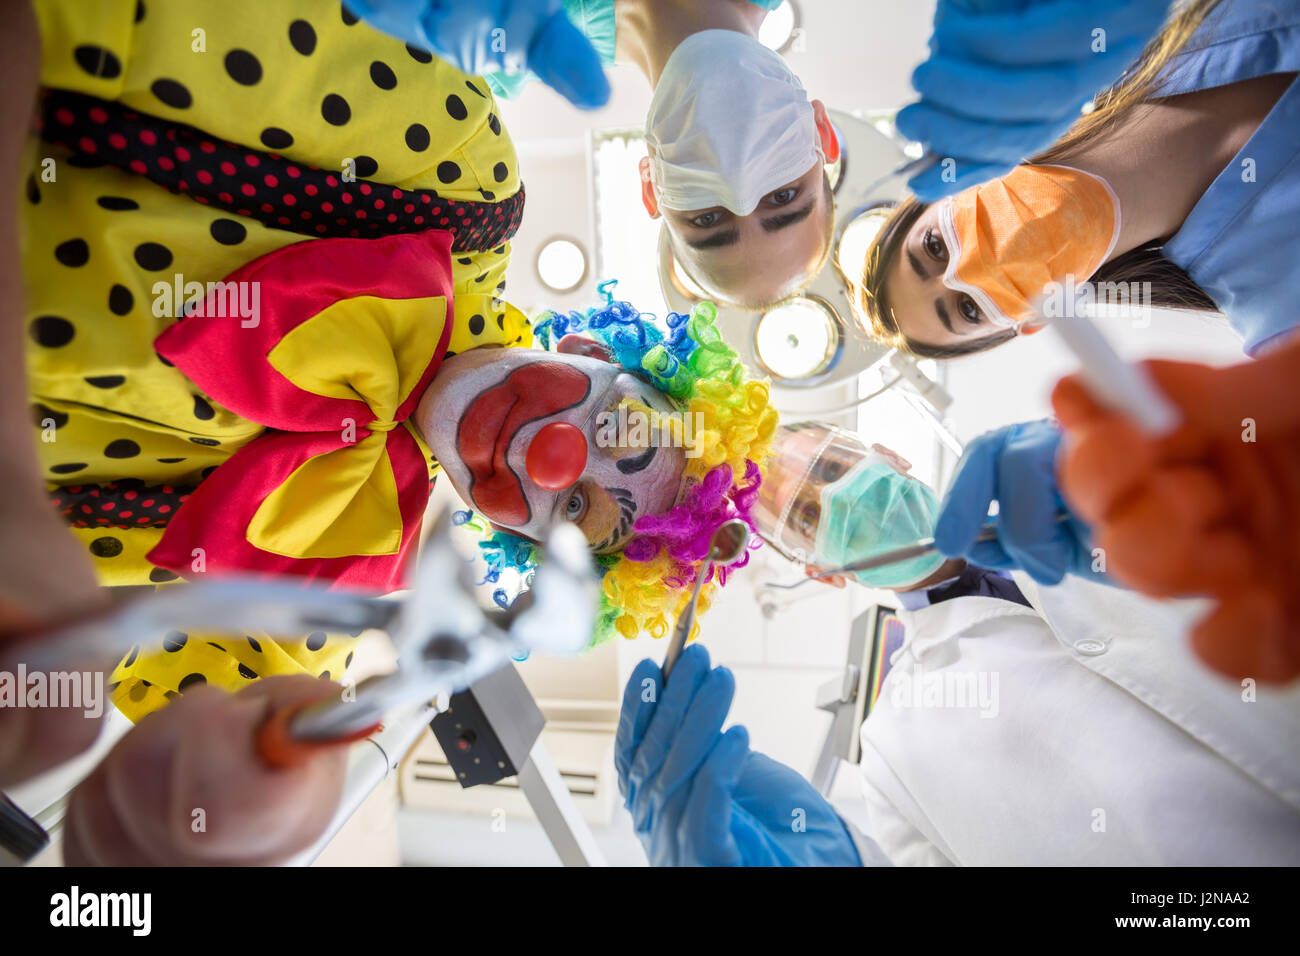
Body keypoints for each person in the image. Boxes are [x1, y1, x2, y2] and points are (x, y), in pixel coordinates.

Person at [614, 533, 1300, 866]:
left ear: (889, 455)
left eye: (838, 464)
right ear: (821, 573)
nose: (852, 499)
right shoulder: (892, 749)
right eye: (811, 512)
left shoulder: (1092, 498)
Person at [858, 0, 1300, 360]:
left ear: (950, 183)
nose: (967, 269)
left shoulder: (1107, 32)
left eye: (934, 247)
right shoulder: (1281, 320)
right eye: (968, 308)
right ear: (1035, 322)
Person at [491, 0, 840, 311]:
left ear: (650, 185)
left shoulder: (505, 47)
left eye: (708, 219)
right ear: (822, 133)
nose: (737, 184)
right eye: (783, 196)